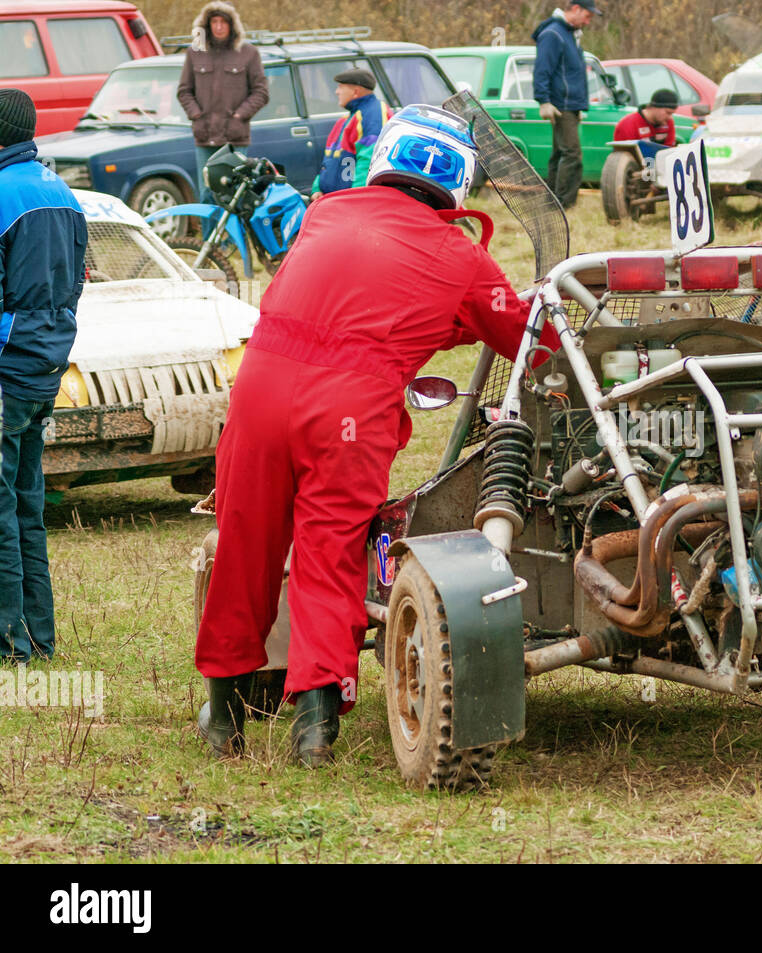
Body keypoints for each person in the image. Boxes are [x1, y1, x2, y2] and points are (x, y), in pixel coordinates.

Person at [194, 105, 559, 767]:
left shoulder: (325, 214)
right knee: (329, 555)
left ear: (385, 155)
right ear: (459, 182)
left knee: (246, 541)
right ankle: (314, 728)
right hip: (349, 410)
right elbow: (531, 339)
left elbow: (343, 296)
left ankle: (222, 716)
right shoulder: (463, 256)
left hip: (260, 385)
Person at [0, 89, 87, 664]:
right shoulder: (64, 192)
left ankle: (10, 644)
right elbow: (77, 283)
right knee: (26, 507)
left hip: (7, 371)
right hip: (45, 368)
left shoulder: (3, 194)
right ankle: (38, 637)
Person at [176, 2, 268, 204]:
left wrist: (239, 117)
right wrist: (196, 116)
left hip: (235, 137)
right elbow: (184, 91)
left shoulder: (248, 53)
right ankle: (211, 237)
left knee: (234, 196)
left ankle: (235, 237)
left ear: (232, 25)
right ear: (207, 25)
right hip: (205, 136)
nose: (218, 26)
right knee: (207, 195)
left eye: (223, 22)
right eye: (214, 22)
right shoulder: (194, 53)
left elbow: (261, 92)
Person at [531, 1, 602, 209]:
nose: (588, 22)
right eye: (587, 16)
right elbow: (542, 69)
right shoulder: (553, 34)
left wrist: (578, 106)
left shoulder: (569, 34)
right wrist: (543, 101)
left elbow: (572, 73)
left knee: (560, 153)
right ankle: (563, 203)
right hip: (561, 105)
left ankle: (552, 201)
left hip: (569, 105)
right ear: (576, 9)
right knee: (571, 154)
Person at [310, 68, 393, 202]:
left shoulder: (374, 114)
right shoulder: (346, 119)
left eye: (340, 87)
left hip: (351, 200)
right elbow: (328, 161)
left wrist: (356, 198)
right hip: (334, 199)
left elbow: (369, 159)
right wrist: (317, 188)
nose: (337, 92)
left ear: (355, 92)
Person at [612, 88, 678, 151]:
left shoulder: (668, 122)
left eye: (672, 114)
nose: (670, 117)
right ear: (655, 107)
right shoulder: (628, 125)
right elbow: (623, 157)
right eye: (668, 113)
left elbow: (669, 152)